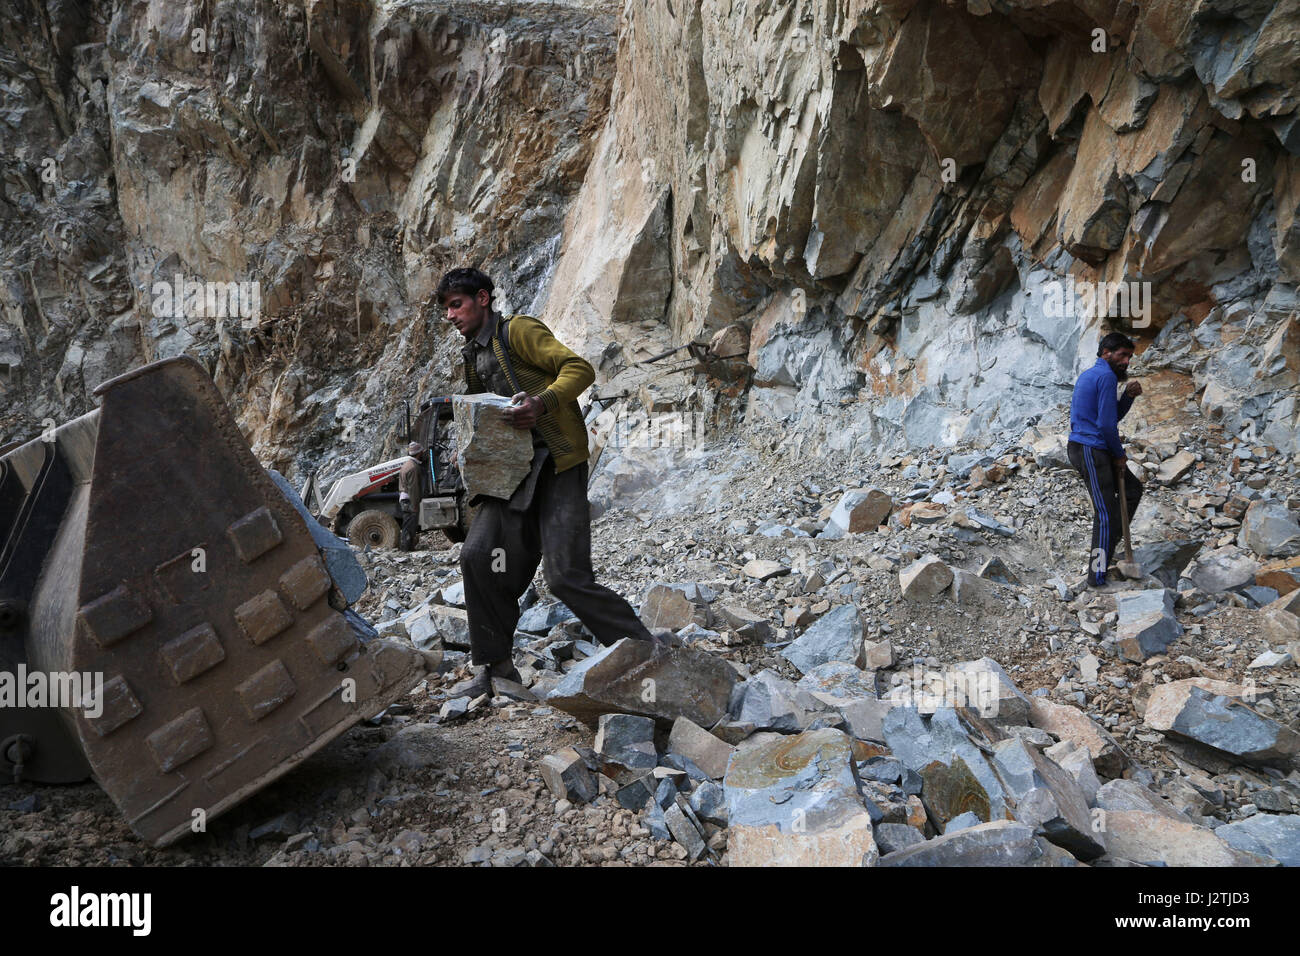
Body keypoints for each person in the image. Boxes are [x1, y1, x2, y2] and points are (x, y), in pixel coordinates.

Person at [436, 267, 665, 699]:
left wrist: (541, 404)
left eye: (456, 304)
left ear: (482, 298)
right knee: (479, 556)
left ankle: (648, 652)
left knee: (565, 577)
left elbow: (579, 369)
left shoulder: (517, 331)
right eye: (446, 308)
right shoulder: (474, 355)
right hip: (510, 474)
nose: (450, 315)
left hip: (557, 465)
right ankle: (495, 668)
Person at [1067, 331, 1144, 589]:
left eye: (1129, 357)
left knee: (1133, 490)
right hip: (1090, 449)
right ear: (1106, 353)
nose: (1126, 362)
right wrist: (1119, 455)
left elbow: (1108, 417)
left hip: (1094, 447)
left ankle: (1107, 546)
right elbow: (1106, 425)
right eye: (1122, 355)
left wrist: (1128, 398)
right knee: (1105, 512)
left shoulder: (1098, 375)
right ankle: (1096, 577)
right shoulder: (1106, 376)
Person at [398, 441, 424, 552]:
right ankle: (406, 549)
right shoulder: (414, 467)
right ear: (419, 453)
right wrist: (415, 505)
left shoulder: (406, 465)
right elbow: (413, 489)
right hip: (409, 499)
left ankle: (405, 547)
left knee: (406, 524)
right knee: (410, 525)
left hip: (403, 498)